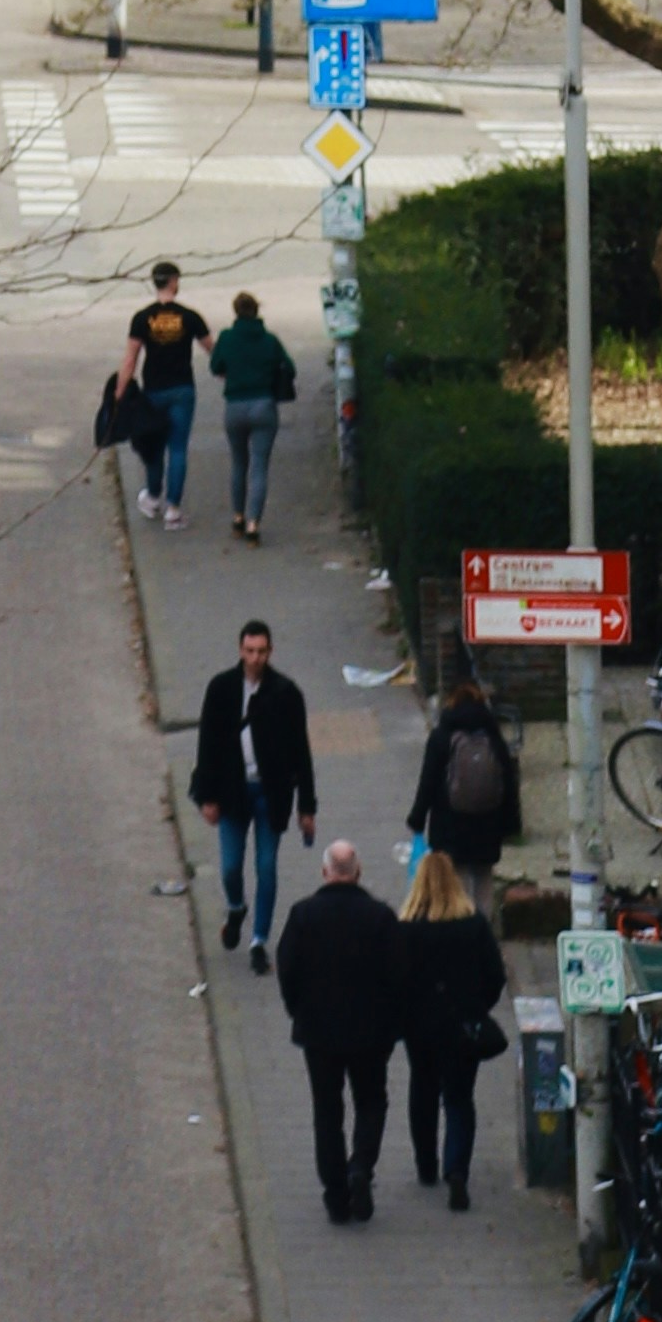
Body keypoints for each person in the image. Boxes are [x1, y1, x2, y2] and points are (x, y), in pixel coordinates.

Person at [275, 840, 405, 1221]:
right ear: (359, 872)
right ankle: (361, 1165)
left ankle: (335, 1193)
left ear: (324, 872)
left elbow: (288, 969)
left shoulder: (303, 915)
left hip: (319, 1032)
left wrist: (297, 1009)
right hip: (371, 1032)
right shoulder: (380, 917)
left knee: (327, 1109)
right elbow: (398, 975)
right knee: (371, 1100)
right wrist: (392, 1022)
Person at [189, 617, 316, 968]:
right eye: (249, 651)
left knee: (267, 867)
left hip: (270, 795)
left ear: (270, 651)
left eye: (261, 651)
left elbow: (301, 753)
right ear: (240, 650)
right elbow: (208, 746)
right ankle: (236, 908)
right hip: (232, 793)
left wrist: (307, 807)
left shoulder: (286, 694)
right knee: (230, 868)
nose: (255, 658)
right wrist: (206, 796)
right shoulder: (222, 689)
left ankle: (259, 941)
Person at [396, 842, 507, 1208]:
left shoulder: (408, 928)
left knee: (423, 1091)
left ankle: (425, 1164)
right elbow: (495, 975)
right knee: (460, 1098)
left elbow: (392, 978)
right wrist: (477, 1006)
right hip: (463, 1026)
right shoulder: (472, 924)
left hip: (419, 1027)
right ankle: (457, 1169)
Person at [408, 646, 525, 919]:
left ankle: (461, 928)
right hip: (488, 823)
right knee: (483, 877)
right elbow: (509, 782)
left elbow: (427, 781)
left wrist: (417, 818)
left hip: (451, 824)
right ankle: (485, 932)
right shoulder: (493, 737)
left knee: (456, 879)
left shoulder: (442, 736)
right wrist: (511, 824)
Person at [117, 261, 215, 522]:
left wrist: (120, 392)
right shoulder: (189, 316)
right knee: (179, 448)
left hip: (153, 391)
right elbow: (211, 350)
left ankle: (152, 495)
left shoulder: (142, 318)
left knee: (154, 446)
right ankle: (173, 509)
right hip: (183, 388)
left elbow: (130, 359)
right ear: (173, 281)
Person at [211, 291, 299, 544]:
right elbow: (289, 368)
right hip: (264, 406)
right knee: (259, 465)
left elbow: (216, 366)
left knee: (239, 463)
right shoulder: (270, 340)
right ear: (257, 311)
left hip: (235, 407)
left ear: (235, 311)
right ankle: (253, 523)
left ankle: (237, 516)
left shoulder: (227, 338)